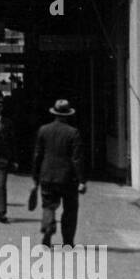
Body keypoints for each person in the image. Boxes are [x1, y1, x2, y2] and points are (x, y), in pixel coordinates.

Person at [31, 99, 86, 246]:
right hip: (68, 178)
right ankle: (68, 241)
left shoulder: (43, 130)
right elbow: (76, 159)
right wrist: (81, 180)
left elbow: (38, 155)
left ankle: (48, 231)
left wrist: (35, 176)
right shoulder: (73, 133)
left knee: (48, 205)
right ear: (68, 115)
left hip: (47, 176)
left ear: (54, 113)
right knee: (70, 209)